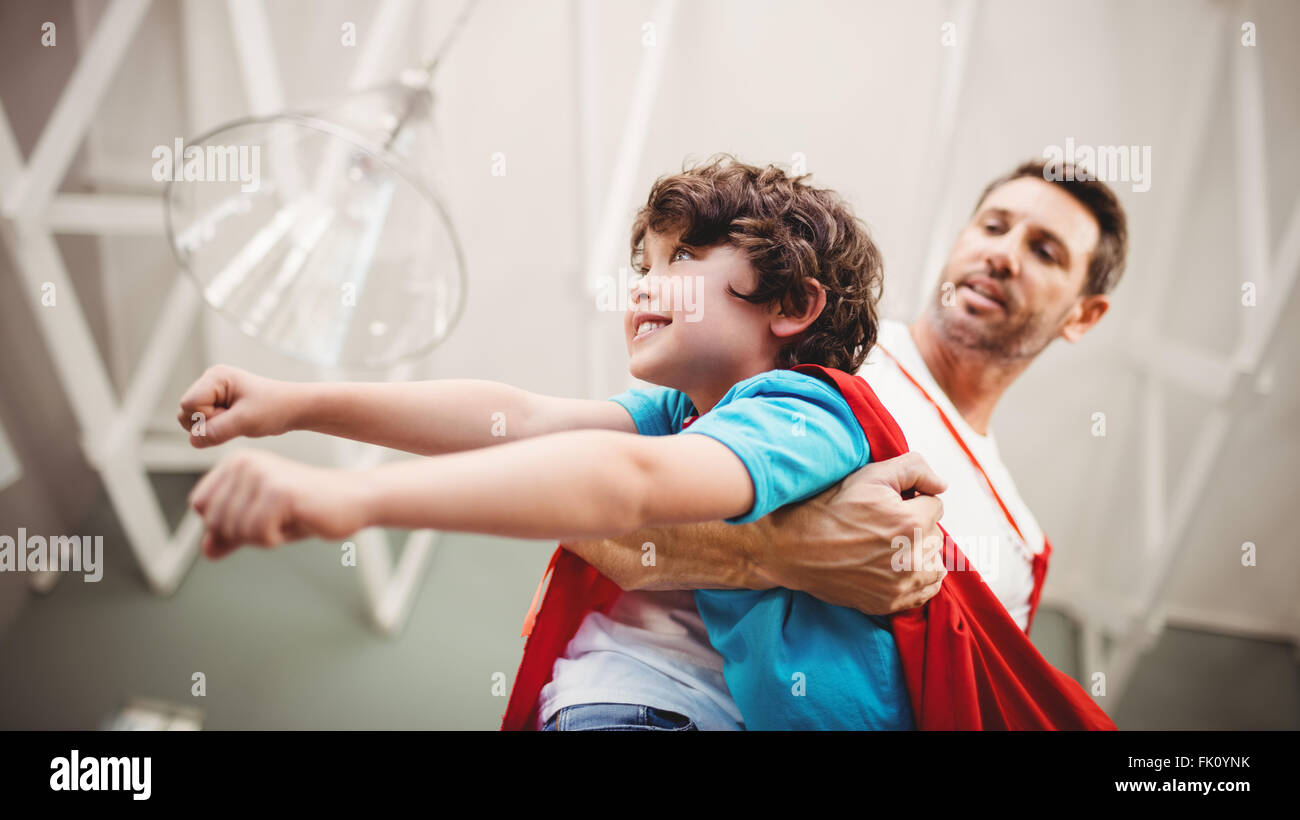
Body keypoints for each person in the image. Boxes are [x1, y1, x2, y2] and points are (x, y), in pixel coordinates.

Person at [178, 155, 938, 729]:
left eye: (683, 259)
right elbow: (520, 420)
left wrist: (354, 496)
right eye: (644, 264)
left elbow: (630, 481)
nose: (643, 283)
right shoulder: (680, 410)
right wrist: (291, 403)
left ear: (793, 304)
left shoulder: (808, 411)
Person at [524, 157, 1127, 730]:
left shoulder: (1019, 545)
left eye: (1043, 250)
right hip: (653, 702)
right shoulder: (811, 351)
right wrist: (783, 553)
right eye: (993, 226)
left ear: (1084, 315)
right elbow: (585, 495)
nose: (1003, 254)